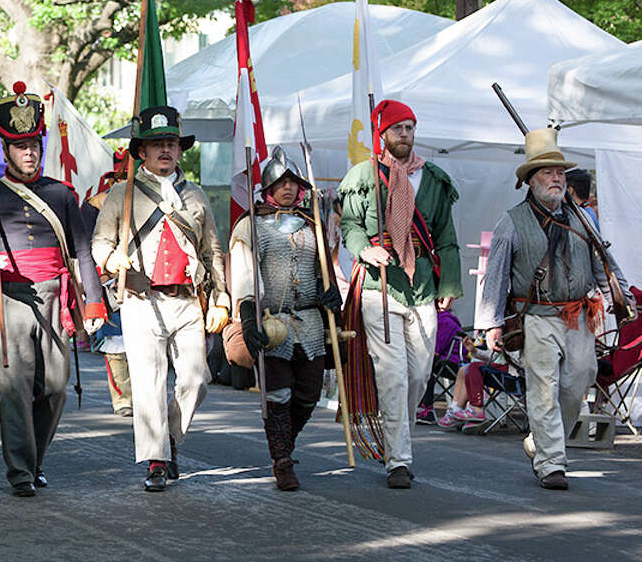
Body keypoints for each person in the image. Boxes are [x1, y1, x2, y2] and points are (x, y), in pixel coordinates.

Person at [0, 82, 106, 497]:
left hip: (55, 297)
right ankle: (21, 472)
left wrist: (93, 303)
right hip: (9, 300)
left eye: (34, 146)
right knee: (14, 391)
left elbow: (80, 251)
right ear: (4, 150)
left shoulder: (61, 194)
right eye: (20, 146)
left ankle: (36, 459)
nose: (29, 153)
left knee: (56, 388)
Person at [476, 128, 634, 490]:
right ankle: (551, 463)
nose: (557, 178)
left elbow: (603, 262)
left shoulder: (582, 218)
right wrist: (491, 324)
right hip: (536, 317)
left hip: (579, 315)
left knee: (577, 385)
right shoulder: (511, 222)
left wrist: (620, 297)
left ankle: (541, 441)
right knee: (543, 389)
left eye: (560, 172)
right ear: (530, 181)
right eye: (547, 172)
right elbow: (496, 276)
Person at [91, 104, 228, 492]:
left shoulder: (197, 195)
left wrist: (221, 298)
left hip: (186, 300)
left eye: (170, 143)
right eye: (156, 144)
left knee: (196, 378)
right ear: (142, 153)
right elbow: (99, 242)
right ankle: (156, 460)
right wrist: (110, 257)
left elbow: (212, 251)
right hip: (140, 298)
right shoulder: (122, 194)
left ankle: (168, 438)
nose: (165, 150)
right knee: (148, 384)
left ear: (179, 149)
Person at [338, 99, 461, 489]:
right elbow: (350, 224)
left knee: (419, 375)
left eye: (410, 128)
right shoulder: (363, 176)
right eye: (397, 129)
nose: (404, 135)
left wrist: (450, 285)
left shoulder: (435, 178)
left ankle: (398, 438)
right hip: (379, 287)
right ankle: (398, 460)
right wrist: (363, 248)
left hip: (422, 285)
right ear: (383, 134)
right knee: (391, 375)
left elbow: (446, 236)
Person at [229, 147, 342, 491]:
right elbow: (245, 273)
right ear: (269, 188)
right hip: (272, 322)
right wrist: (249, 317)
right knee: (277, 395)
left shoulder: (312, 225)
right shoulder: (252, 225)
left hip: (309, 322)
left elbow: (324, 269)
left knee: (308, 395)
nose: (288, 188)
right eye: (281, 182)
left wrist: (330, 294)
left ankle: (284, 444)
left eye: (293, 182)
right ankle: (282, 461)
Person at [81, 149, 132, 417]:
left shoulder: (143, 199)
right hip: (108, 278)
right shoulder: (95, 205)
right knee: (115, 341)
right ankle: (123, 397)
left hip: (140, 278)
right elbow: (87, 245)